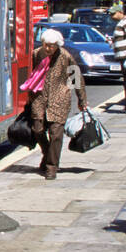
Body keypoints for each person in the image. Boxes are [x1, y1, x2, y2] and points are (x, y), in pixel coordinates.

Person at [28, 28, 88, 180]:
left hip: (59, 99)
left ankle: (51, 167)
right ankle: (48, 153)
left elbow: (77, 77)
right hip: (39, 98)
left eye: (51, 45)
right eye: (45, 45)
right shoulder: (36, 54)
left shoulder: (66, 56)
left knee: (56, 134)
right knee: (37, 129)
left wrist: (82, 100)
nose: (48, 48)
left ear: (58, 45)